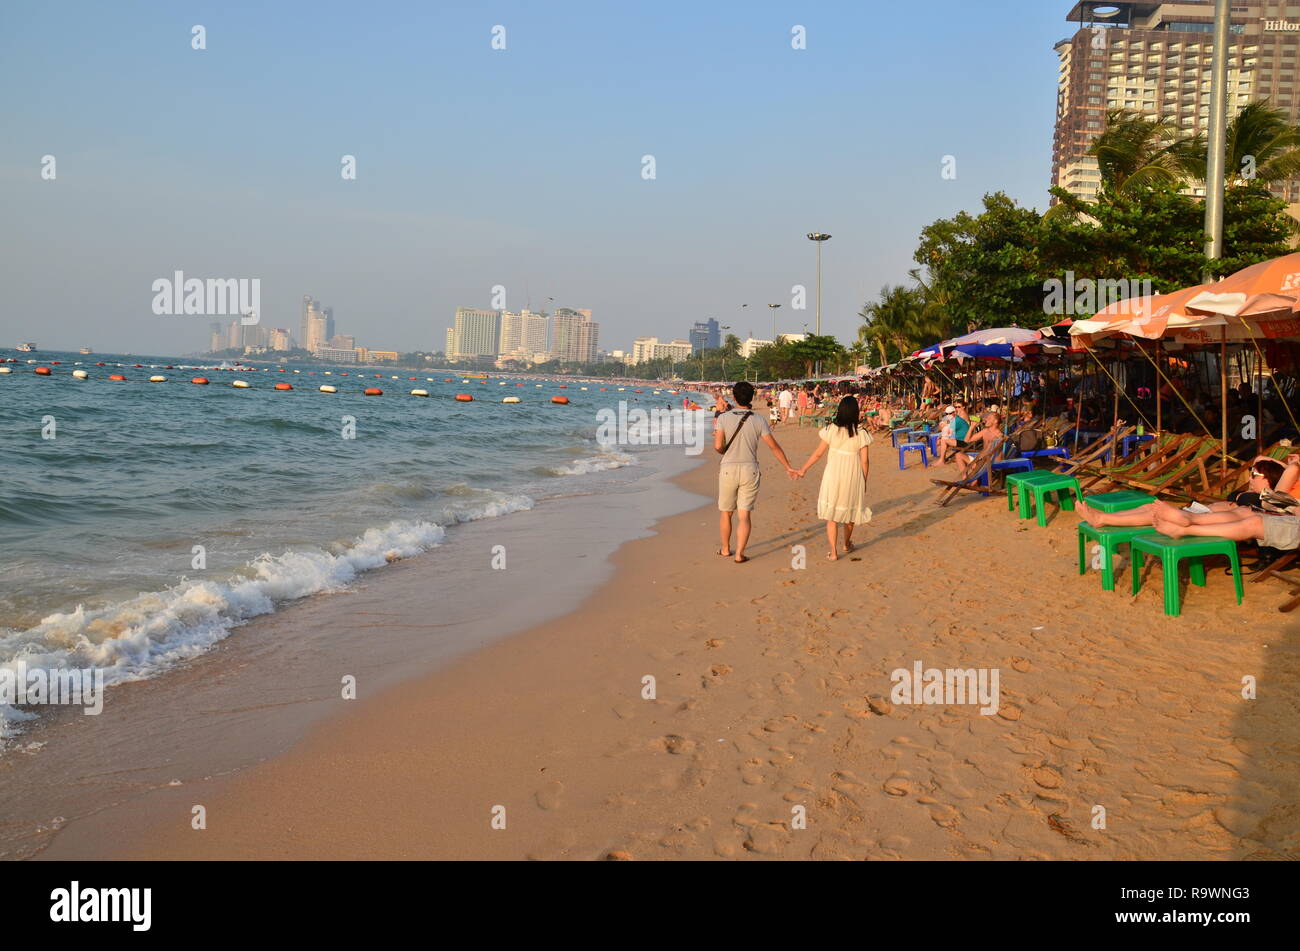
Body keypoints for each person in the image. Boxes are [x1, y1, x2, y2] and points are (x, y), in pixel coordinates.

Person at [1077, 456, 1300, 528]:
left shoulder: (1270, 500)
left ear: (1270, 481)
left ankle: (1102, 518)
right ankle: (1102, 517)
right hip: (1203, 512)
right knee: (1148, 506)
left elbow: (1279, 487)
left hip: (1207, 517)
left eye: (1255, 476)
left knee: (1152, 513)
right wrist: (1279, 463)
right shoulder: (1259, 493)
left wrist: (1289, 469)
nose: (1249, 478)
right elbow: (1261, 459)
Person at [714, 380, 798, 564]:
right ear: (751, 397)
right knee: (744, 515)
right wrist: (788, 467)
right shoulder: (758, 419)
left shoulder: (723, 418)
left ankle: (726, 549)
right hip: (750, 469)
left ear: (734, 397)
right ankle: (739, 554)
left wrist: (724, 451)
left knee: (726, 512)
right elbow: (774, 447)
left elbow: (718, 446)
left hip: (728, 468)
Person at [796, 396, 873, 561]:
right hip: (853, 475)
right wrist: (864, 481)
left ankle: (833, 552)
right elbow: (865, 461)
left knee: (832, 516)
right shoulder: (862, 432)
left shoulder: (831, 429)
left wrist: (803, 469)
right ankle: (846, 544)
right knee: (850, 512)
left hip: (833, 473)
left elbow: (818, 454)